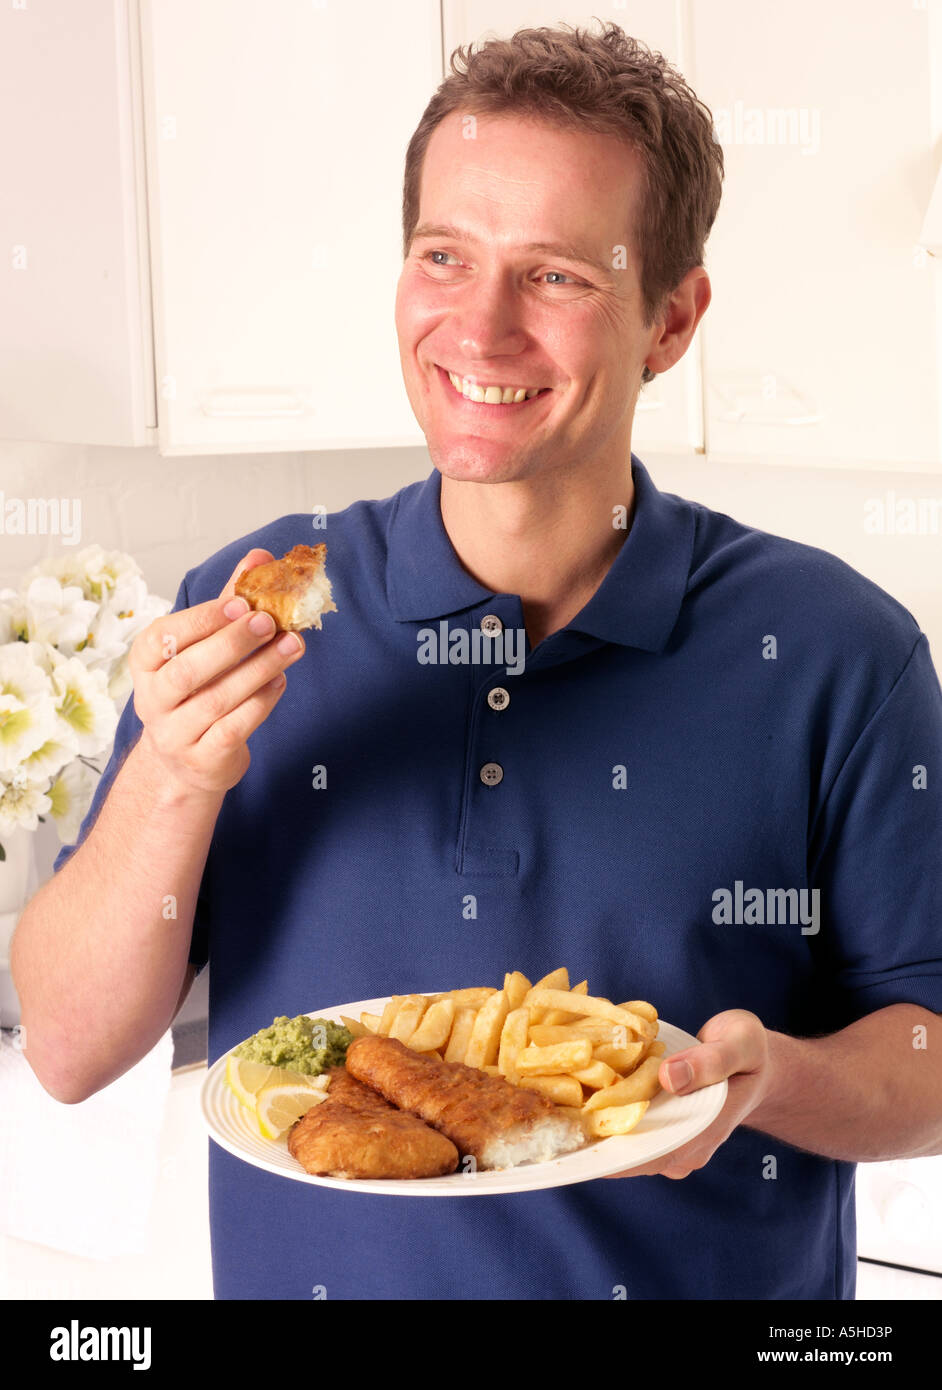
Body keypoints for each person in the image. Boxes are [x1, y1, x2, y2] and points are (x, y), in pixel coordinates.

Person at [12, 23, 941, 1301]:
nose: (481, 327)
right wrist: (172, 775)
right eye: (445, 255)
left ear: (672, 318)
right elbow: (64, 1046)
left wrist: (779, 1077)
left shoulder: (839, 653)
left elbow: (930, 1052)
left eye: (556, 275)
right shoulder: (257, 610)